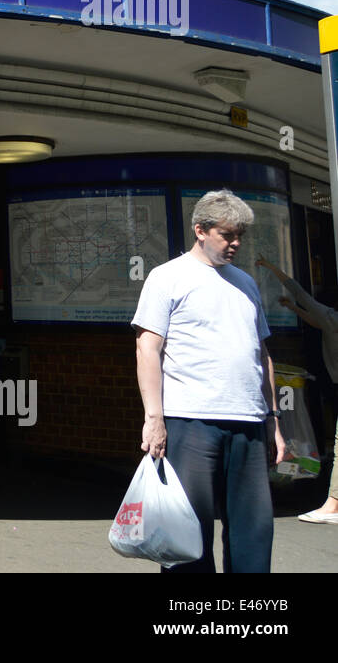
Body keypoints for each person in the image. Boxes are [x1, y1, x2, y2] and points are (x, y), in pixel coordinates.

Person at [131, 189, 286, 572]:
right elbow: (147, 348)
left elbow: (261, 354)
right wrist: (155, 418)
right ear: (200, 230)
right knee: (187, 533)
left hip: (248, 422)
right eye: (227, 235)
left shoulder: (246, 283)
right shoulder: (167, 277)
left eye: (240, 236)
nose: (235, 244)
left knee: (253, 530)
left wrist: (273, 420)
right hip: (190, 420)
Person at [256, 254, 338, 524]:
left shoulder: (332, 318)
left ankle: (333, 504)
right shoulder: (329, 320)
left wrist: (270, 267)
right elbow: (316, 321)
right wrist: (292, 308)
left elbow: (299, 290)